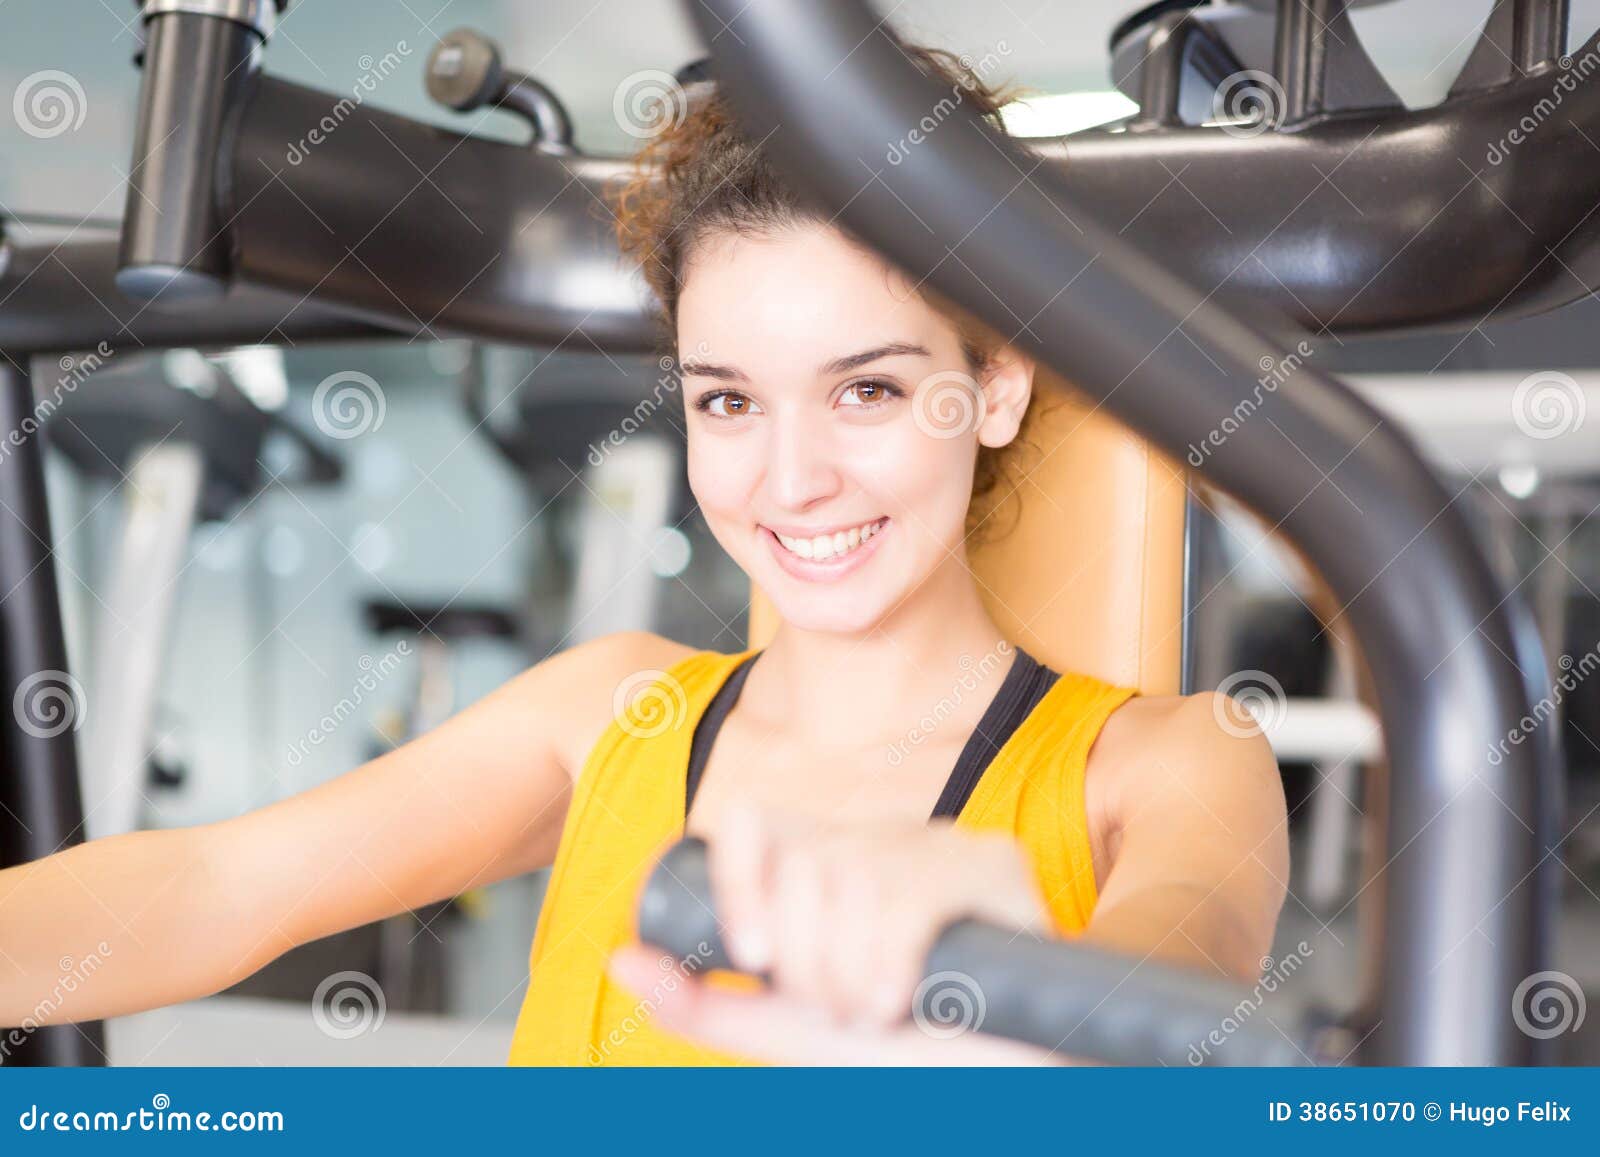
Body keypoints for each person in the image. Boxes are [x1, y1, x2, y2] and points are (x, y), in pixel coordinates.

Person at [0, 42, 1287, 1067]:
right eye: (728, 399)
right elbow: (220, 885)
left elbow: (1194, 972)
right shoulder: (607, 708)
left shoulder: (1169, 763)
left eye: (869, 392)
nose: (791, 480)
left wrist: (1050, 1003)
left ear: (994, 385)